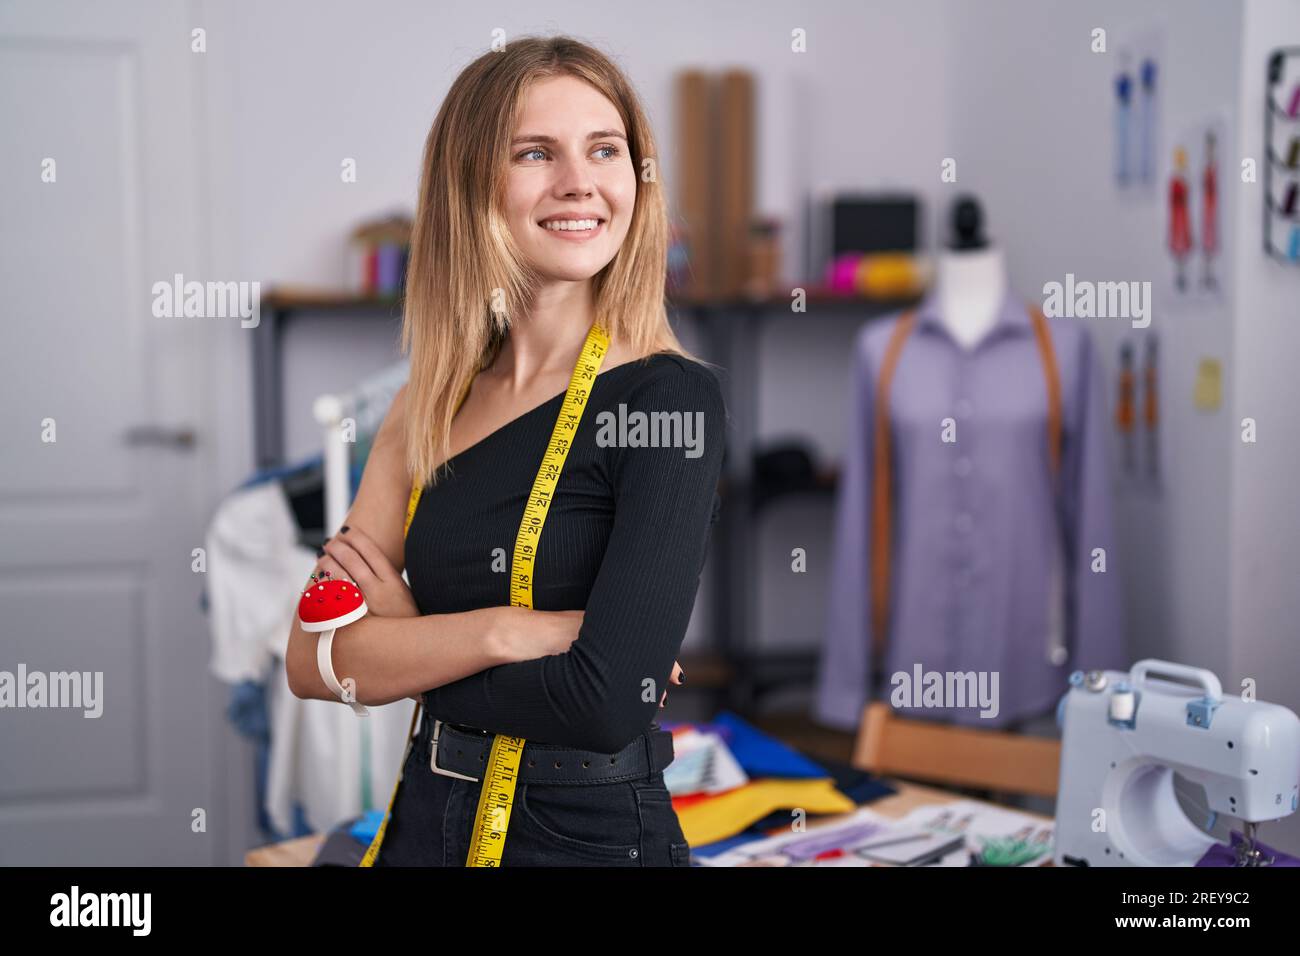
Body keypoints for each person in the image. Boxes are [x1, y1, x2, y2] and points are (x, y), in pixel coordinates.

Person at [285, 35, 727, 868]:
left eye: (606, 150)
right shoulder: (427, 403)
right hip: (424, 822)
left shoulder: (667, 401)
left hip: (587, 840)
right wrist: (504, 631)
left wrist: (408, 642)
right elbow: (312, 660)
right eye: (535, 152)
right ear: (471, 184)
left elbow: (607, 703)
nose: (579, 183)